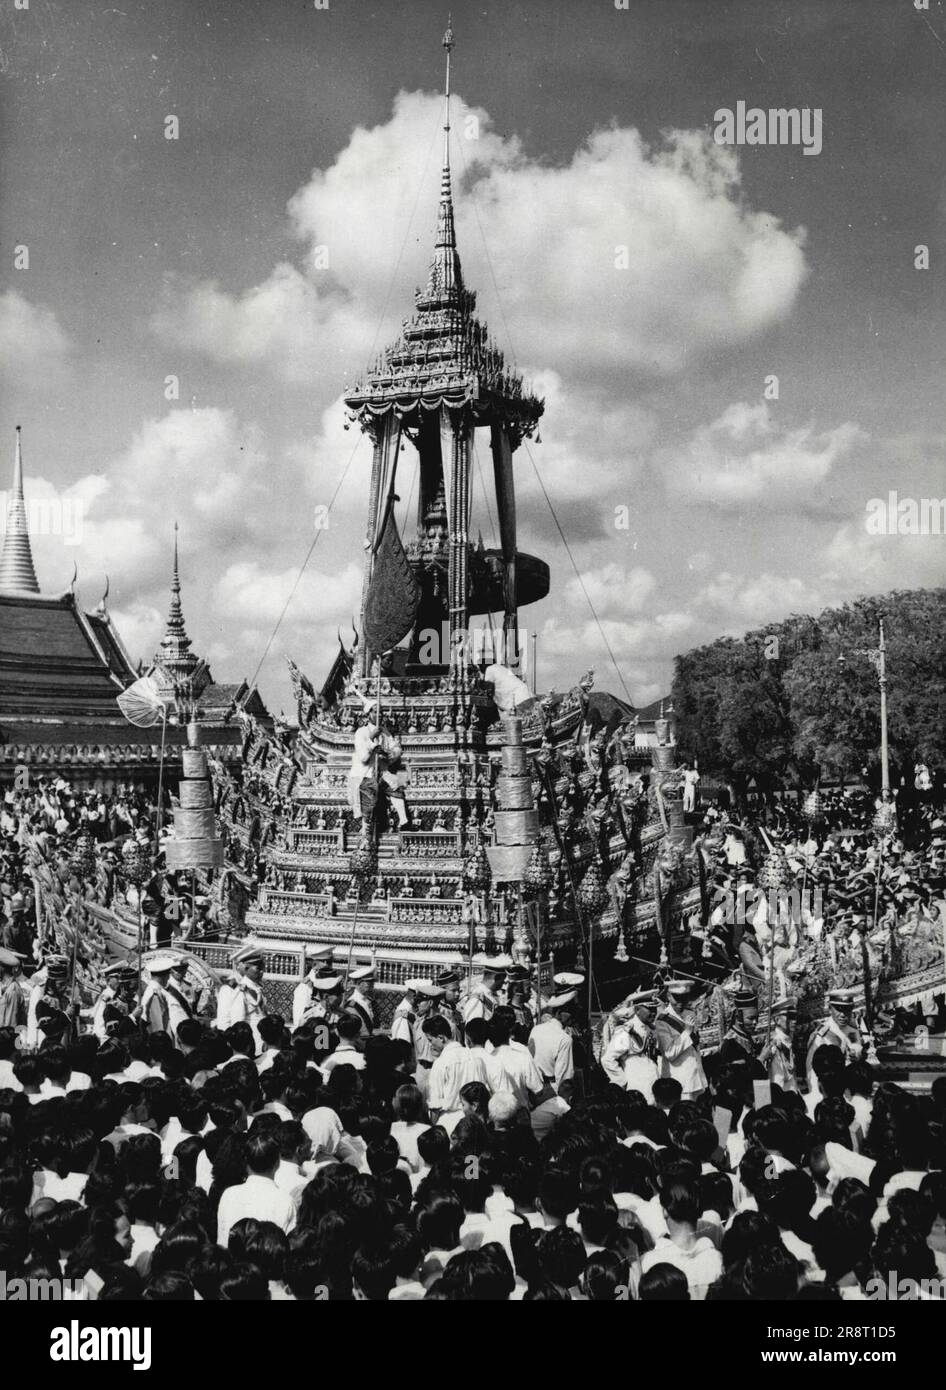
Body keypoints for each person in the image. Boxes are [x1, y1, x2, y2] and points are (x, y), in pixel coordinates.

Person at [215, 1131, 297, 1248]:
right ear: (278, 1163)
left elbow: (222, 1241)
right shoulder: (285, 1201)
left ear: (246, 1162)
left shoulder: (229, 1194)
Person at [599, 989, 658, 1100]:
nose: (653, 1012)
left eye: (654, 1008)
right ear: (637, 1010)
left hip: (650, 1080)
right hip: (636, 1082)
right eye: (649, 1008)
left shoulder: (647, 1027)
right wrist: (621, 1081)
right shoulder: (626, 1030)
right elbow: (607, 1059)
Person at [654, 981, 706, 1100]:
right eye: (676, 998)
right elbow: (670, 1053)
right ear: (668, 996)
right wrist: (687, 1032)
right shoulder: (662, 1021)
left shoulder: (689, 1013)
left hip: (696, 1078)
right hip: (680, 1081)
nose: (680, 1002)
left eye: (684, 998)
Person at [528, 989, 577, 1093]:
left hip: (533, 1088)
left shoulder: (536, 1029)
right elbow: (564, 1076)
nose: (573, 1015)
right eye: (570, 1012)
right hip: (552, 1090)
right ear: (558, 1013)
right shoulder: (565, 1039)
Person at [292, 946, 335, 1029]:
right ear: (315, 965)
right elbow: (300, 1021)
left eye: (330, 963)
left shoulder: (328, 985)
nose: (330, 967)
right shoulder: (304, 988)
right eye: (327, 963)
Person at [759, 999, 798, 1092]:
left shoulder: (787, 1042)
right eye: (790, 1017)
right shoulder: (773, 1047)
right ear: (777, 1020)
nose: (794, 1021)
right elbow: (776, 1082)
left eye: (795, 1017)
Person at [139, 956, 177, 1035]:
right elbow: (158, 1025)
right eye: (168, 975)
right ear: (164, 976)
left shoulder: (155, 990)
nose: (169, 978)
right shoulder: (154, 994)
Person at [346, 964, 376, 1034]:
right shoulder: (353, 1002)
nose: (371, 984)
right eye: (368, 982)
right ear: (358, 983)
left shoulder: (368, 1000)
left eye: (372, 981)